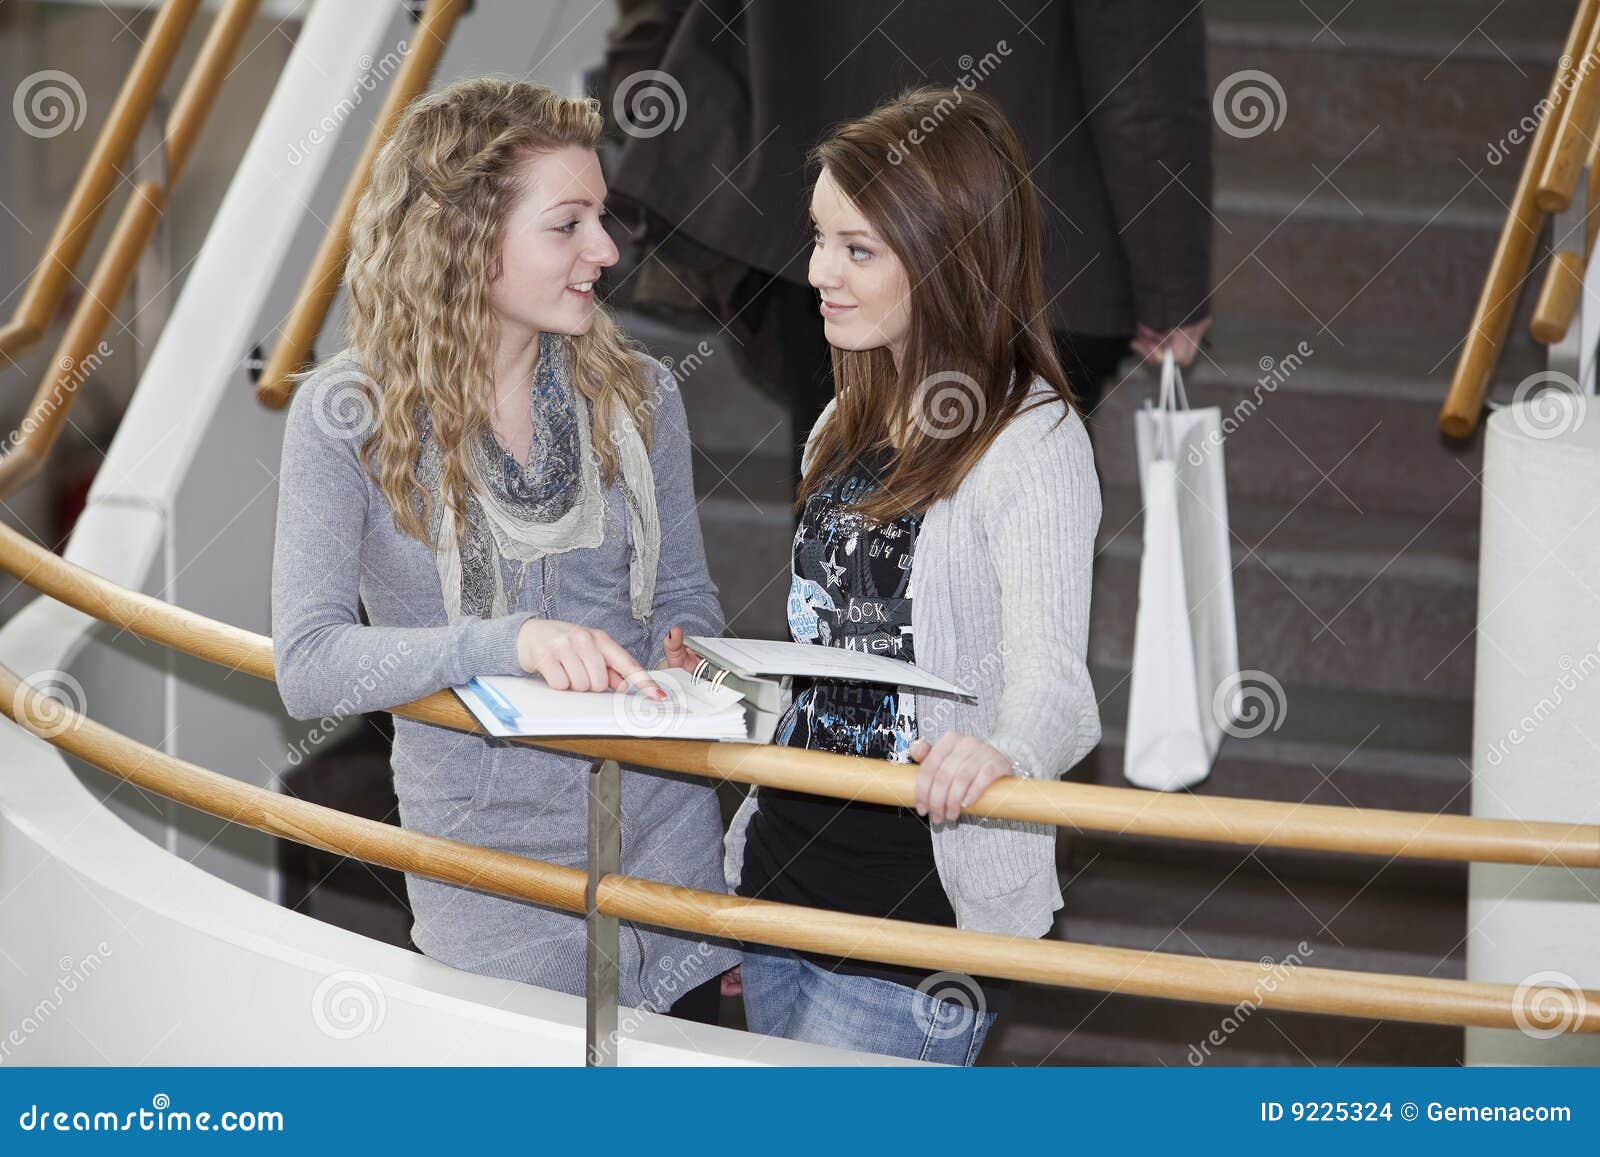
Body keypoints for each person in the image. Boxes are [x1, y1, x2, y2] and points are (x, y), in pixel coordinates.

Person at [270, 77, 738, 1022]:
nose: (604, 251)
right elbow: (309, 665)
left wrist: (695, 654)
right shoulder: (345, 416)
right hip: (490, 898)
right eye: (567, 225)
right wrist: (504, 639)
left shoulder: (645, 393)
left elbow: (684, 593)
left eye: (600, 219)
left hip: (671, 878)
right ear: (466, 237)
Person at [723, 88, 1103, 1064]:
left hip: (917, 914)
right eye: (818, 239)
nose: (817, 273)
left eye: (858, 249)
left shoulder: (1033, 439)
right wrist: (716, 683)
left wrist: (1005, 751)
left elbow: (1053, 674)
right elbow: (825, 655)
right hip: (779, 879)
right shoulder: (837, 422)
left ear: (945, 255)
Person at [603, 0, 1214, 490]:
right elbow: (1144, 74)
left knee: (849, 530)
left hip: (816, 192)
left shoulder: (831, 261)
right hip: (1028, 251)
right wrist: (1170, 286)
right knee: (1017, 523)